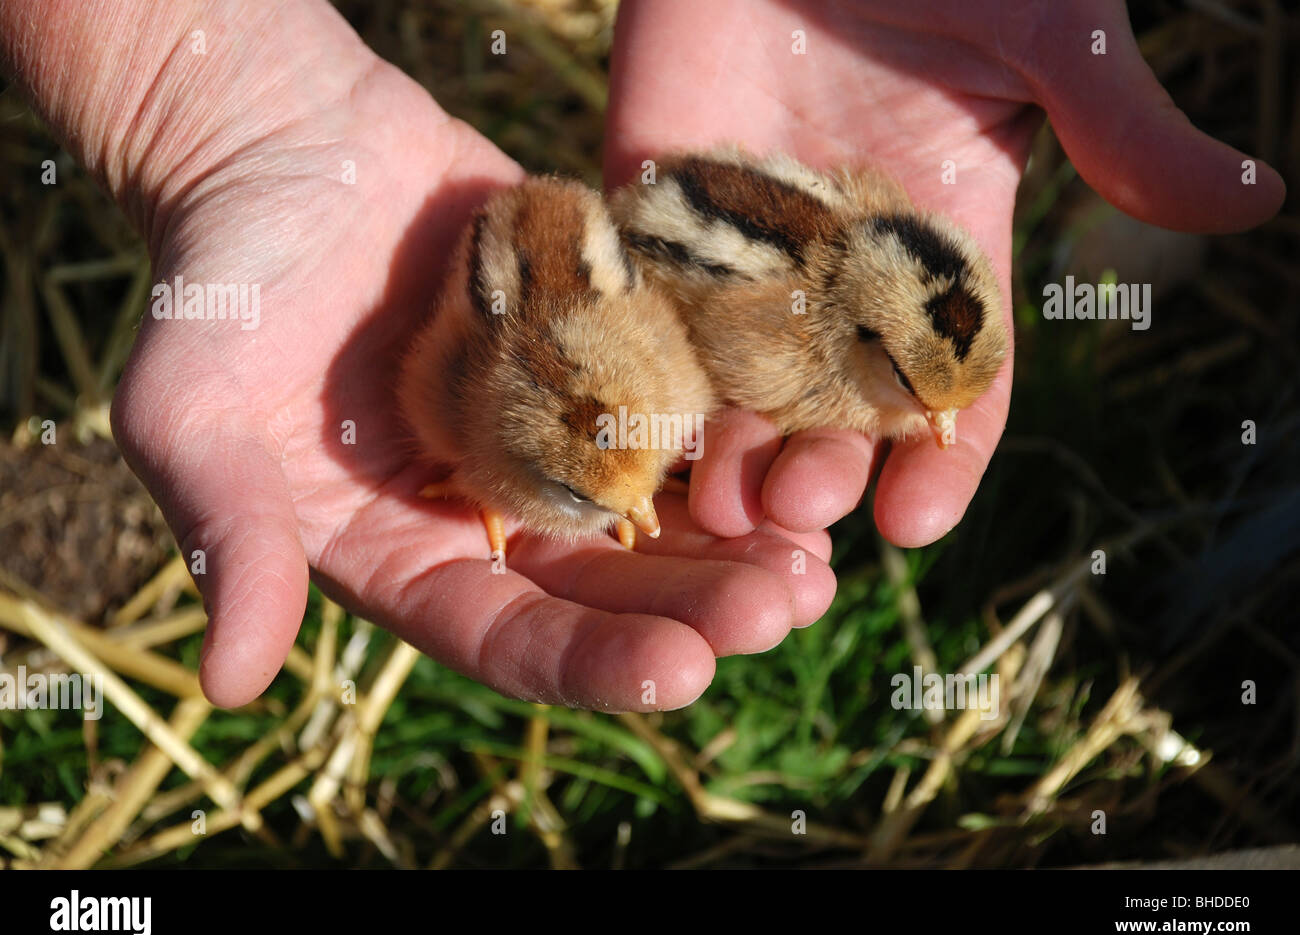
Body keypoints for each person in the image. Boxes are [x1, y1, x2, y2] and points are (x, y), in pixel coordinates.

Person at [0, 0, 1283, 711]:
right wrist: (194, 95)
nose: (626, 521)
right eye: (913, 390)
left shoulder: (742, 352)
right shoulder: (546, 390)